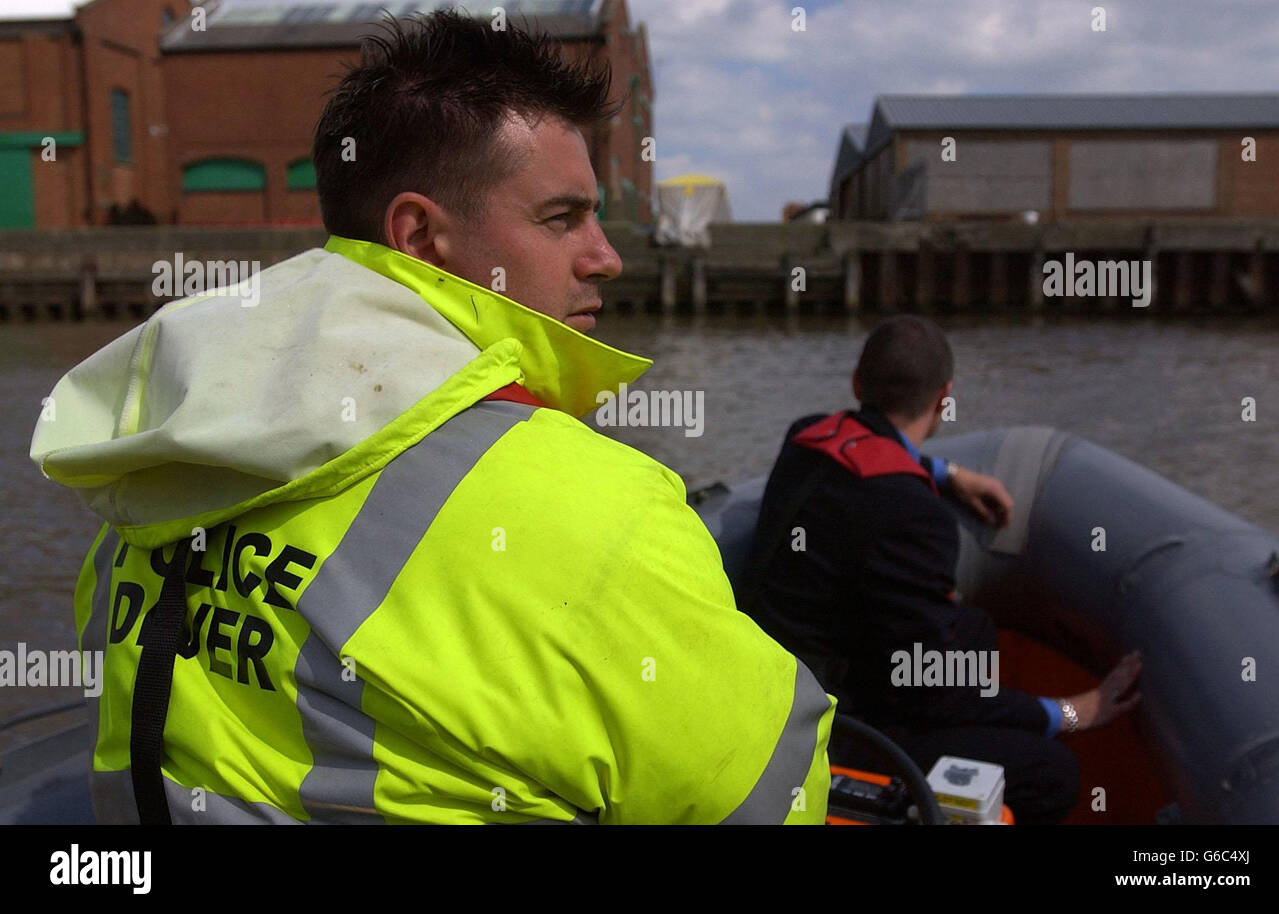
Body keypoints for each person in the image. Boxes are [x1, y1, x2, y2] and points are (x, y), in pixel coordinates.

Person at [29, 11, 833, 825]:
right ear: (420, 235)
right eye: (562, 218)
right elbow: (771, 797)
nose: (607, 257)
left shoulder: (150, 471)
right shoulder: (601, 508)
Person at [739, 314, 1141, 824]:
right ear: (944, 398)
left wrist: (948, 472)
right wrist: (1068, 712)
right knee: (1052, 771)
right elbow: (932, 692)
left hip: (771, 679)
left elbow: (866, 449)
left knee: (974, 632)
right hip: (835, 727)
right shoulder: (916, 516)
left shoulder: (805, 438)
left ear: (857, 383)